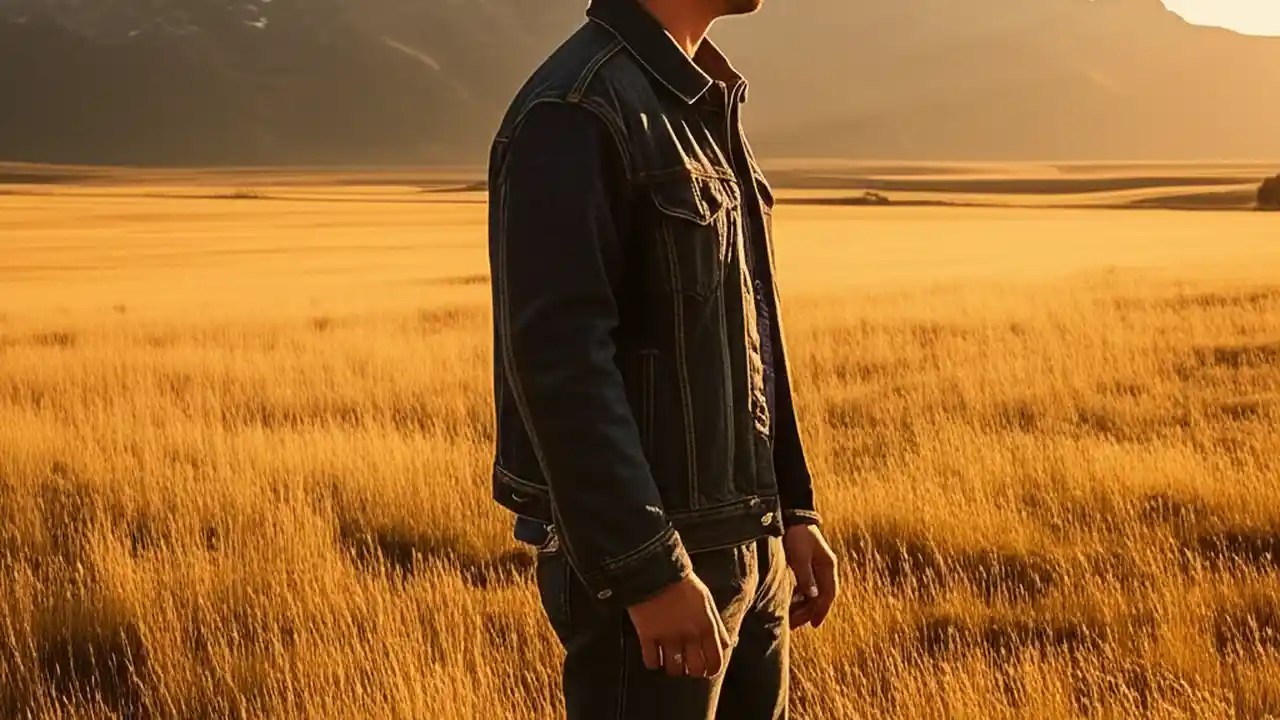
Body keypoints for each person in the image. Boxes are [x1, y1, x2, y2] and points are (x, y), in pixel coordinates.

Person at [486, 0, 837, 716]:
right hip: (663, 560)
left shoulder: (697, 102)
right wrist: (645, 570)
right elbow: (560, 365)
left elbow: (749, 329)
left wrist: (791, 507)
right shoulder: (576, 108)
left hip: (750, 544)